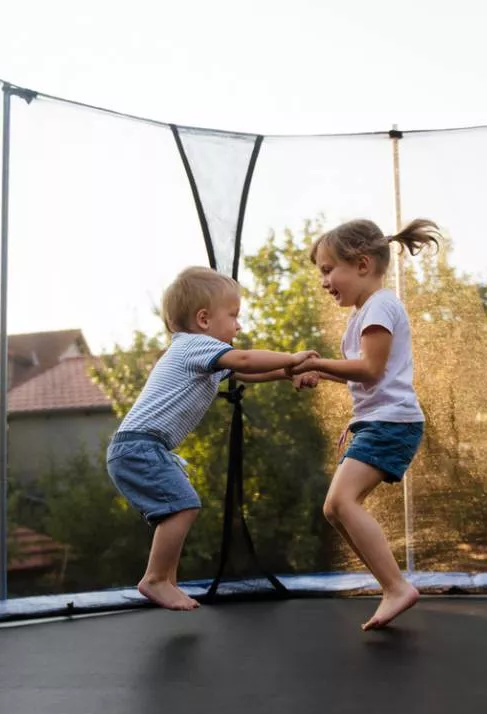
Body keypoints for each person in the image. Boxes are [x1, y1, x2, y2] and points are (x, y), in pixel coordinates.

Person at [107, 266, 317, 611]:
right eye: (233, 316)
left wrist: (287, 373)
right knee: (184, 505)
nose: (239, 325)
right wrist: (293, 358)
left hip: (140, 447)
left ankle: (165, 579)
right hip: (139, 446)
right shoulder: (193, 346)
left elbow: (248, 369)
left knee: (176, 508)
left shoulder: (197, 352)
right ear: (203, 319)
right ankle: (156, 578)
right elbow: (247, 358)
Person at [291, 218, 441, 630]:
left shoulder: (381, 306)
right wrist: (323, 374)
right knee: (334, 509)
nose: (323, 281)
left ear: (361, 264)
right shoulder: (363, 314)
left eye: (327, 269)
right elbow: (367, 375)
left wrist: (317, 362)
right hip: (377, 422)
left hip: (393, 424)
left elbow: (371, 369)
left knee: (341, 503)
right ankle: (391, 586)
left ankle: (396, 587)